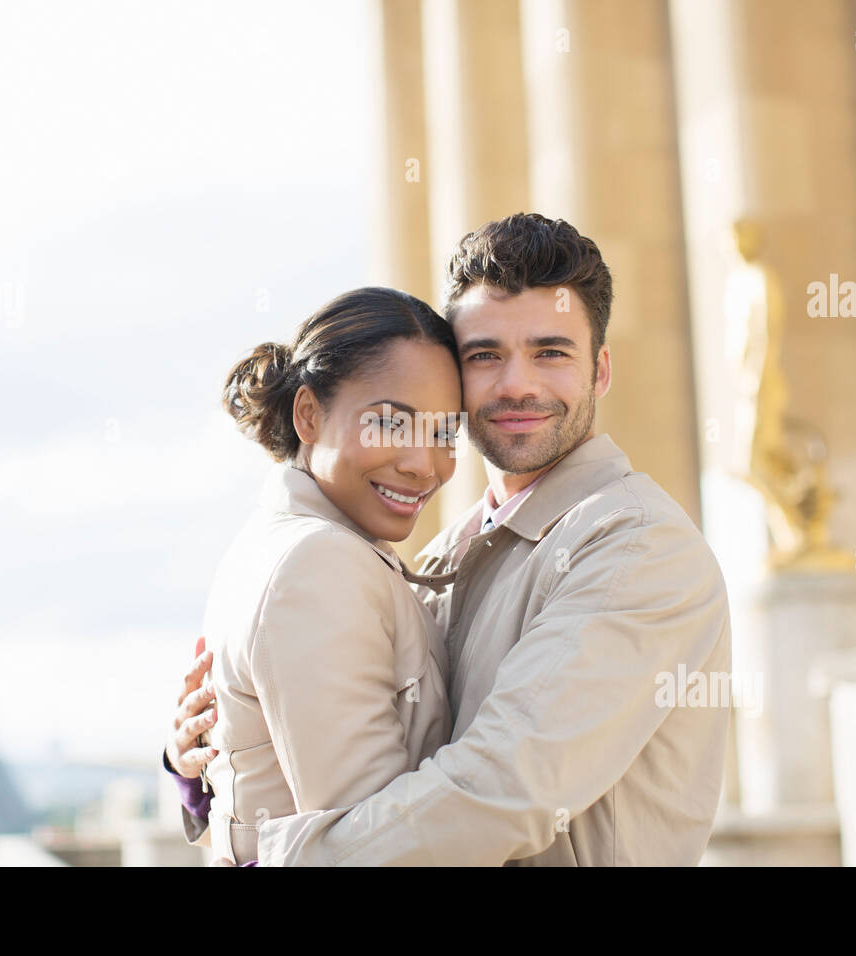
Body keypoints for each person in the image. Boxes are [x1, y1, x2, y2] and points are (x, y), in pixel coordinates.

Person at [168, 213, 733, 866]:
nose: (517, 382)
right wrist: (215, 759)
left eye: (551, 351)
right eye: (485, 355)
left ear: (600, 371)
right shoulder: (444, 554)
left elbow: (506, 788)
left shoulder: (636, 548)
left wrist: (285, 861)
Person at [164, 286, 462, 865]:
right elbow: (372, 843)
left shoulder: (283, 540)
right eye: (390, 425)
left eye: (445, 433)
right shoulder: (317, 562)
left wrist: (193, 776)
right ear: (308, 414)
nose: (425, 464)